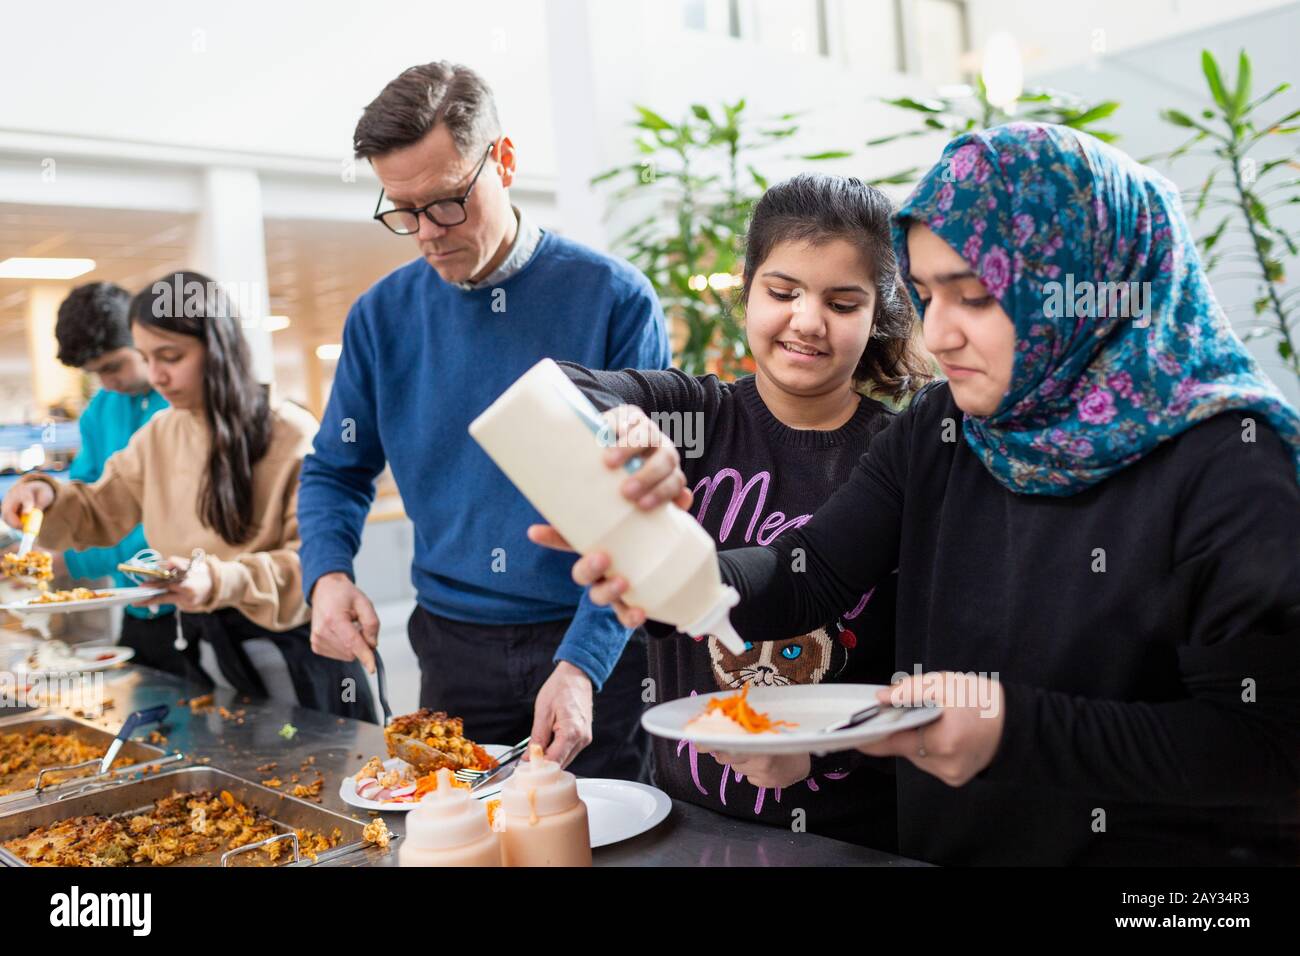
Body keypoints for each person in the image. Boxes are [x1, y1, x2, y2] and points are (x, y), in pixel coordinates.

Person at [538, 123, 1300, 865]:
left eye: (973, 297)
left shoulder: (1228, 466)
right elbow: (812, 573)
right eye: (929, 295)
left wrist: (1013, 729)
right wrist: (671, 571)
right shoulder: (947, 426)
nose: (938, 335)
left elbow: (1267, 747)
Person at [299, 61, 670, 776]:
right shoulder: (381, 317)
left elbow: (637, 512)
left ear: (502, 160)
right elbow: (335, 471)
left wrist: (583, 665)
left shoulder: (613, 299)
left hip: (593, 640)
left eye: (444, 203)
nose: (426, 234)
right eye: (402, 212)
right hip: (452, 651)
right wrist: (327, 577)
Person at [556, 174, 929, 846]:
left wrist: (816, 751)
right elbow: (560, 387)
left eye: (842, 303)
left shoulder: (898, 455)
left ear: (880, 313)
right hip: (690, 820)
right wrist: (625, 428)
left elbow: (919, 675)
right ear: (747, 289)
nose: (807, 321)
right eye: (782, 293)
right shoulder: (693, 415)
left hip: (853, 834)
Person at [2, 271, 375, 720]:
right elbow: (99, 509)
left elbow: (310, 567)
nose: (157, 376)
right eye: (144, 357)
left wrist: (218, 581)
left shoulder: (287, 432)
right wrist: (46, 494)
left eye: (171, 356)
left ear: (217, 348)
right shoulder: (159, 433)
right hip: (206, 654)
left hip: (290, 657)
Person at [50, 282, 184, 675]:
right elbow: (86, 504)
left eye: (113, 366)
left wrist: (71, 560)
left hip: (196, 615)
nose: (108, 383)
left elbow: (163, 525)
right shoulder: (99, 411)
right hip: (137, 612)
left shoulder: (182, 406)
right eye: (95, 374)